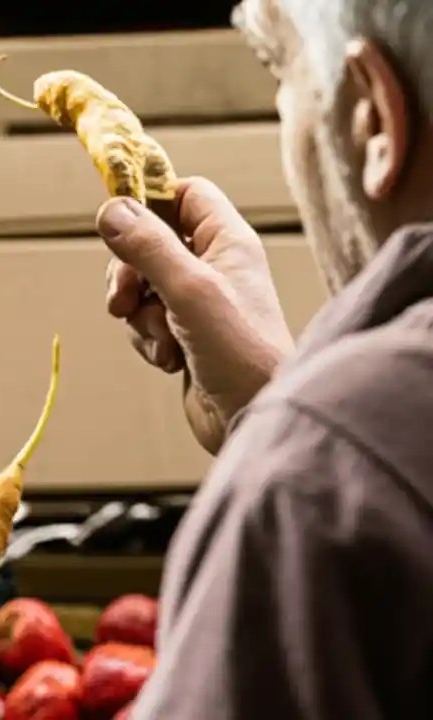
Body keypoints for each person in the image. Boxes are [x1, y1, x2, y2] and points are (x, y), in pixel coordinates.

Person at [94, 0, 433, 717]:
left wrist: (308, 442)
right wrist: (271, 404)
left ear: (374, 119)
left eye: (281, 71)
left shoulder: (315, 485)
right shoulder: (340, 468)